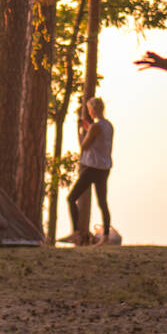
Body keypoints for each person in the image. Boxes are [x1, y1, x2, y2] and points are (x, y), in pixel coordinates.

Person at [63, 96, 114, 245]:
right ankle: (105, 236)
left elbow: (84, 146)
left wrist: (81, 131)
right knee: (102, 202)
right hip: (104, 167)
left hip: (92, 168)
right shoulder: (108, 126)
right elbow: (98, 141)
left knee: (71, 198)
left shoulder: (95, 127)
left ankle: (76, 232)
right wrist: (89, 129)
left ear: (92, 111)